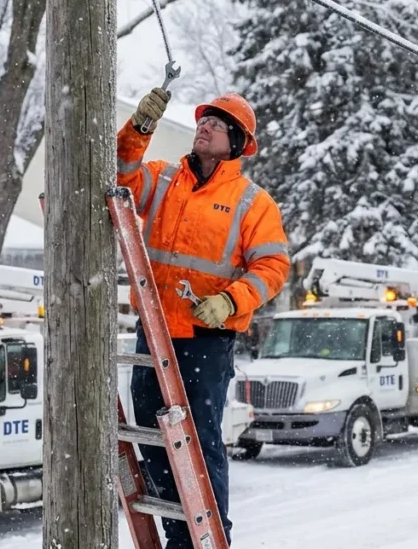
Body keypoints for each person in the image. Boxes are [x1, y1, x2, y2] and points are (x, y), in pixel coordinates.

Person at [118, 88, 290, 548]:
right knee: (153, 435)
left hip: (205, 340)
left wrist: (231, 302)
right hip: (154, 333)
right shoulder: (166, 178)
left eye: (216, 123)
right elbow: (122, 178)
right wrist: (139, 130)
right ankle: (179, 534)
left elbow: (273, 267)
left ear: (235, 142)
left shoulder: (253, 202)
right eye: (203, 120)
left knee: (199, 441)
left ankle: (212, 537)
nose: (204, 126)